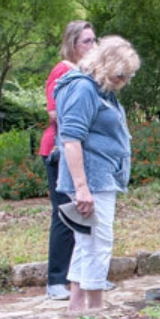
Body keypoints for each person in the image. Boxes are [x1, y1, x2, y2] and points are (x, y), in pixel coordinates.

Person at [53, 36, 141, 314]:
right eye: (120, 75)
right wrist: (81, 188)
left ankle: (77, 306)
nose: (123, 81)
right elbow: (71, 140)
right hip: (91, 178)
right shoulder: (82, 89)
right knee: (98, 242)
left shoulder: (99, 89)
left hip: (102, 176)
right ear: (106, 65)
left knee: (86, 240)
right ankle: (95, 306)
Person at [41, 21, 96, 301]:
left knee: (85, 214)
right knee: (64, 213)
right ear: (73, 44)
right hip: (59, 150)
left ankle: (88, 276)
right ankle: (56, 279)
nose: (92, 46)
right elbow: (53, 112)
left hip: (81, 152)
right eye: (87, 41)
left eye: (94, 40)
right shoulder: (63, 70)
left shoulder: (88, 74)